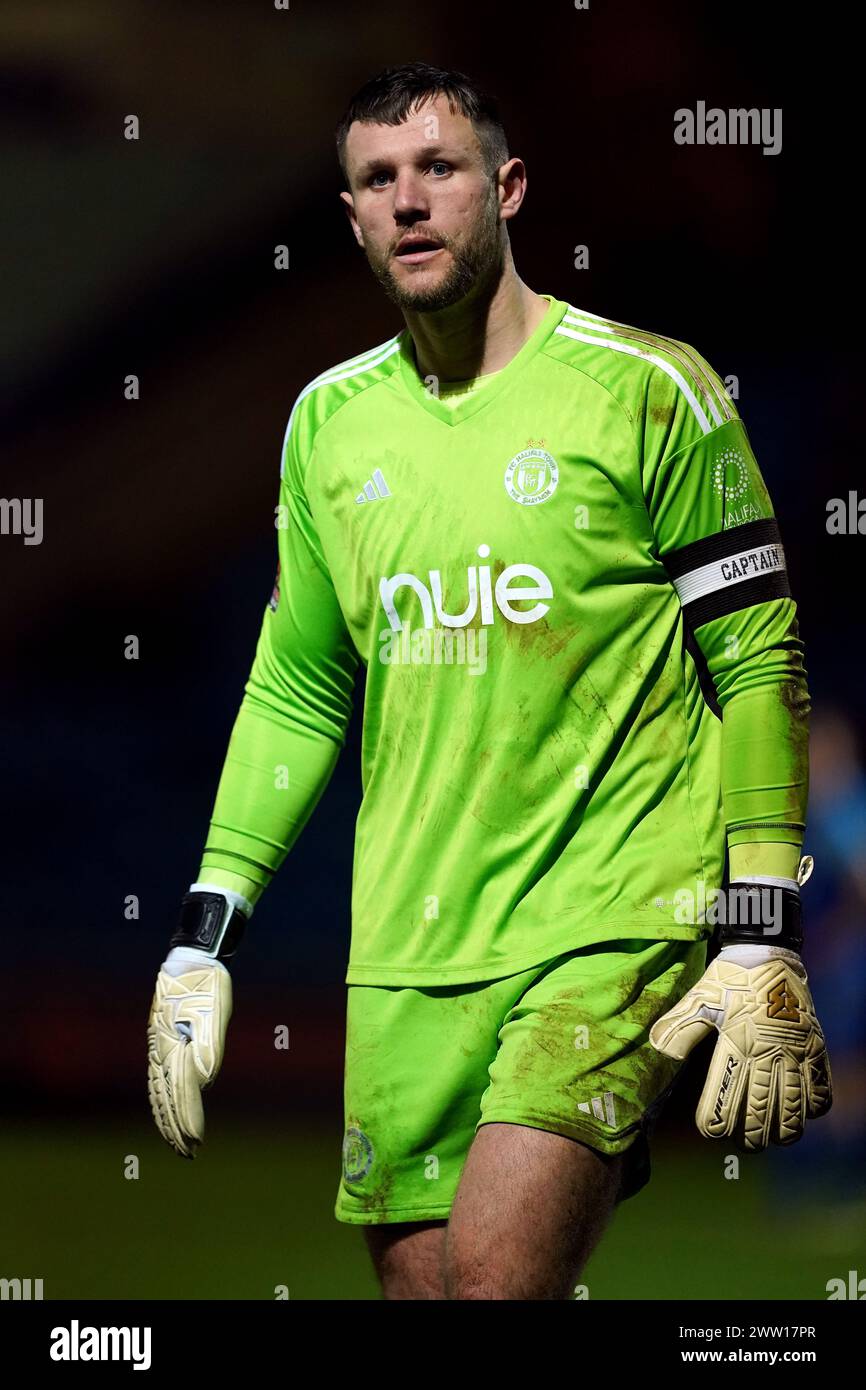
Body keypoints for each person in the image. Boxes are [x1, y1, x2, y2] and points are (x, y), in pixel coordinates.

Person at [147, 61, 832, 1300]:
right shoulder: (327, 426)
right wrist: (204, 932)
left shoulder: (646, 391)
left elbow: (758, 659)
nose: (407, 202)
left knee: (495, 1287)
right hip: (409, 950)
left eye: (438, 169)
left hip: (610, 914)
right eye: (376, 179)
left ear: (506, 188)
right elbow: (299, 687)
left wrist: (758, 918)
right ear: (350, 215)